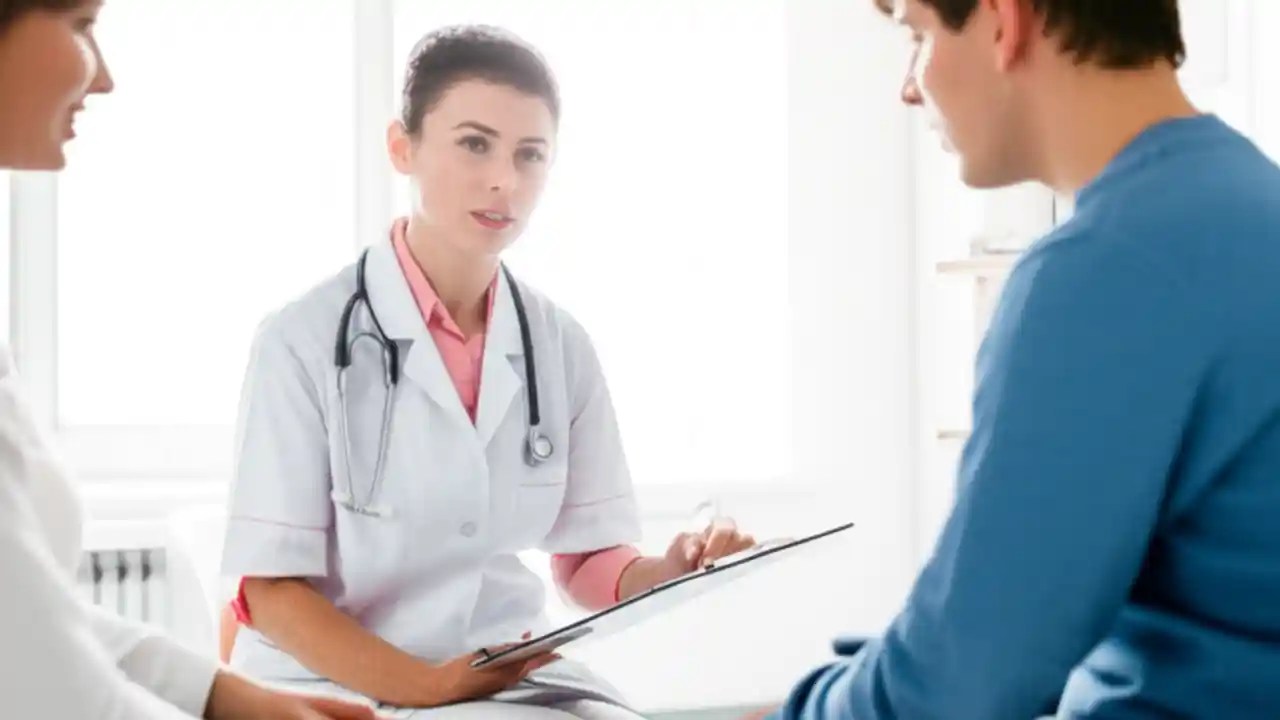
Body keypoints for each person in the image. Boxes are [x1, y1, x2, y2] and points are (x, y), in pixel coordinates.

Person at [752, 0, 1280, 718]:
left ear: (1005, 21)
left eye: (919, 35)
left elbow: (960, 687)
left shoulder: (1106, 267)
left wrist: (804, 709)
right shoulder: (1252, 207)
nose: (910, 85)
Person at [220, 25, 757, 719]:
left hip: (494, 672)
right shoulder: (302, 339)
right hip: (327, 682)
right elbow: (269, 592)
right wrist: (427, 686)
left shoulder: (559, 345)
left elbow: (585, 562)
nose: (505, 179)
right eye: (475, 144)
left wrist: (667, 572)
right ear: (401, 148)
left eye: (530, 155)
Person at [0, 1, 382, 717]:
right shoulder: (295, 338)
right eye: (81, 26)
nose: (104, 78)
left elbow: (29, 624)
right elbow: (43, 680)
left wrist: (231, 700)